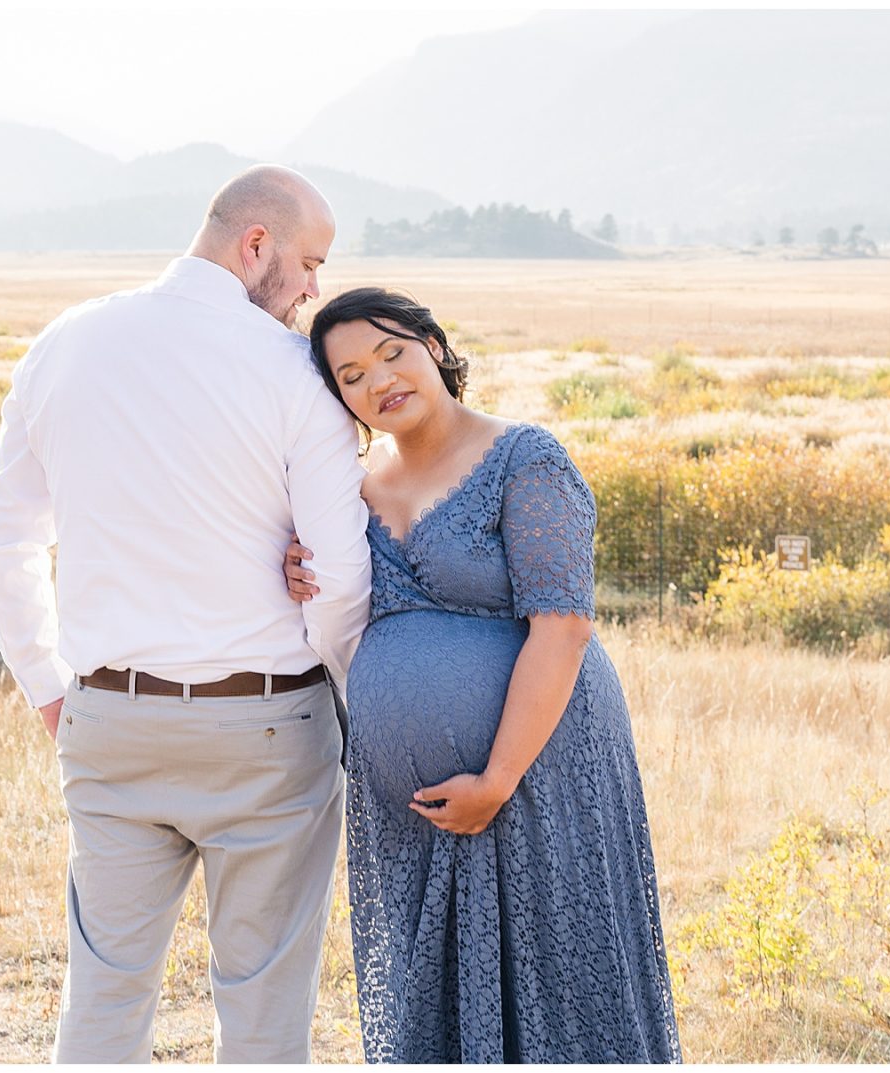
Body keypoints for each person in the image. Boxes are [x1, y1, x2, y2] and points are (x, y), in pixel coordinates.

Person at [0, 166, 372, 1063]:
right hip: (270, 730)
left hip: (109, 719)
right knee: (265, 1015)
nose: (314, 290)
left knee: (102, 1002)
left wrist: (49, 688)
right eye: (310, 264)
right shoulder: (295, 374)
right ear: (256, 245)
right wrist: (345, 698)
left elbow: (3, 539)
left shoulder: (65, 342)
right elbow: (341, 576)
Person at [284, 288, 680, 1063]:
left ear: (433, 346)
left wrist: (497, 778)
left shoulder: (524, 458)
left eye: (392, 352)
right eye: (352, 375)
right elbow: (341, 601)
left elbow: (563, 628)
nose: (379, 380)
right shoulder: (353, 490)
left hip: (536, 770)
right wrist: (303, 566)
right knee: (436, 985)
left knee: (558, 970)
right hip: (411, 812)